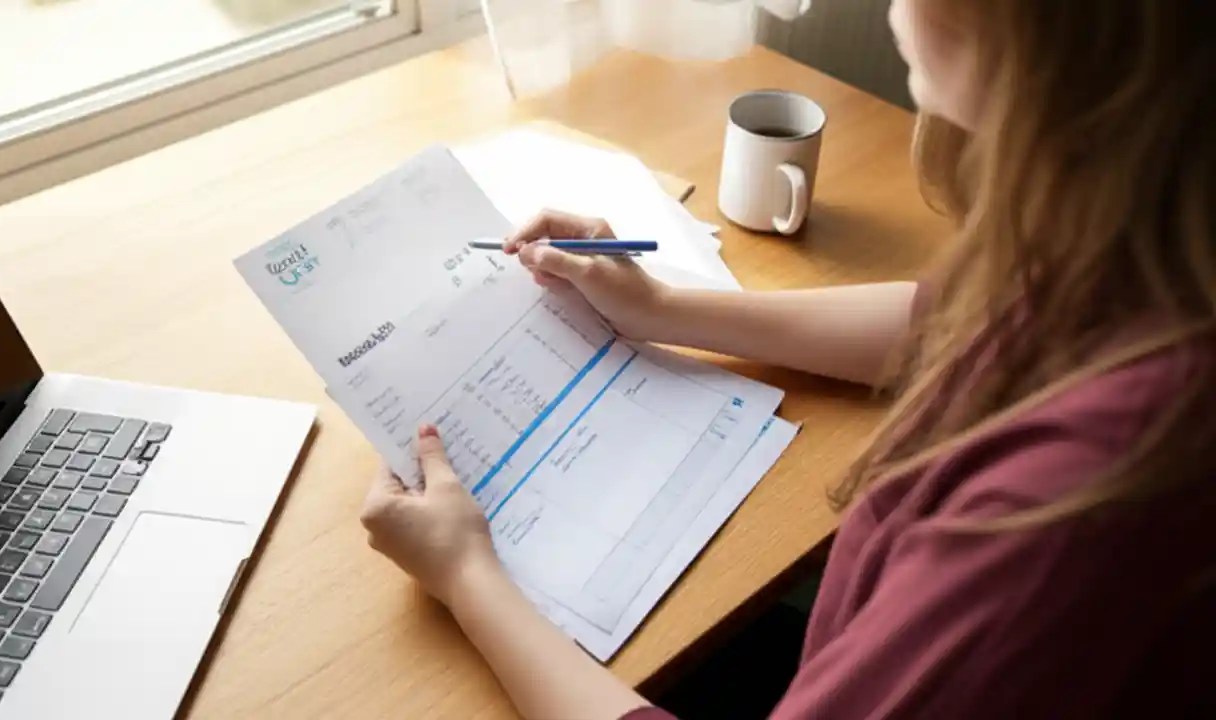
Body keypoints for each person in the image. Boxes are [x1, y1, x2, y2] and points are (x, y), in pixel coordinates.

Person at [361, 0, 1216, 717]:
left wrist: (467, 574)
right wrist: (663, 308)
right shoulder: (1150, 244)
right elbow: (966, 320)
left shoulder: (1067, 511)